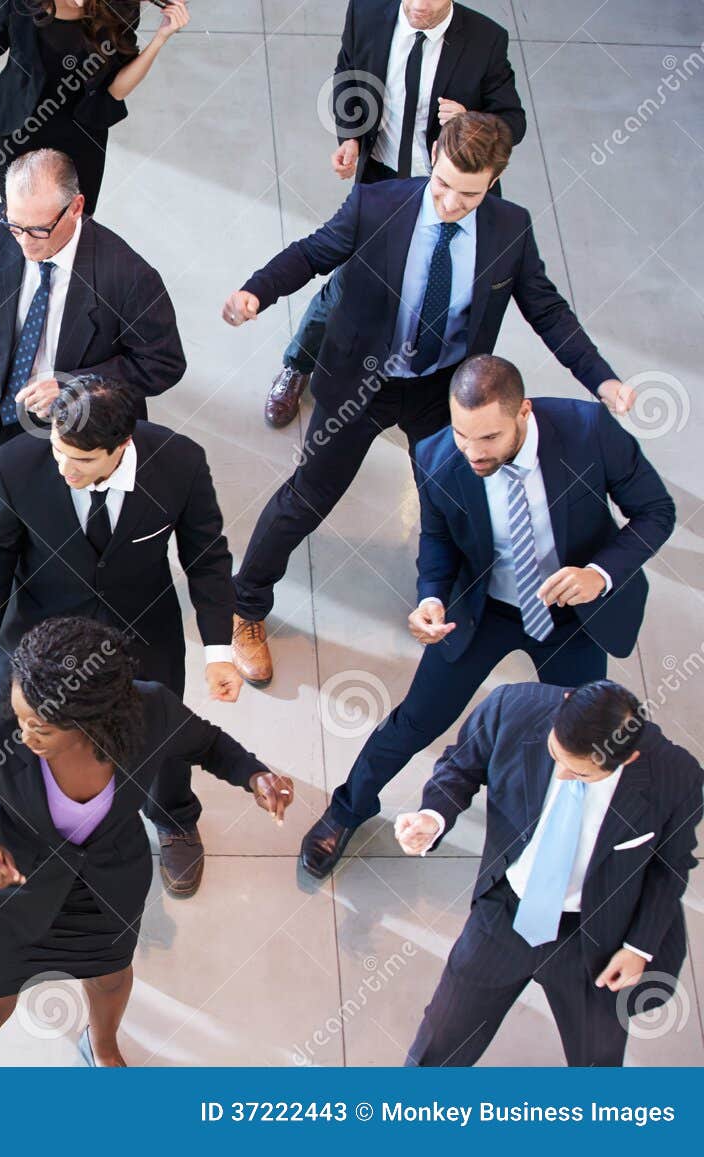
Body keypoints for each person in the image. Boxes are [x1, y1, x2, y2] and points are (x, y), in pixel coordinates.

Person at [221, 112, 637, 689]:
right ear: (433, 161)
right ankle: (245, 609)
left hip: (440, 392)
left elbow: (547, 310)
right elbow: (312, 253)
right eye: (440, 185)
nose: (448, 202)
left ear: (493, 181)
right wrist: (255, 291)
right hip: (361, 381)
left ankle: (446, 605)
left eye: (467, 193)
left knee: (455, 502)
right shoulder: (377, 204)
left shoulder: (509, 228)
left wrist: (602, 379)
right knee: (307, 497)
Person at [298, 354, 675, 877]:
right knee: (415, 720)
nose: (473, 453)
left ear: (523, 412)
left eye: (489, 439)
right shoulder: (436, 457)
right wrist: (430, 595)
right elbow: (436, 540)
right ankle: (348, 808)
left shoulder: (588, 431)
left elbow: (657, 511)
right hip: (483, 610)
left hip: (572, 613)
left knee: (586, 740)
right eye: (461, 434)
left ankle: (564, 842)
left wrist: (599, 574)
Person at [0, 377, 242, 899]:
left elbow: (207, 559)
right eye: (59, 451)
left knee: (163, 731)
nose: (64, 470)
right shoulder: (18, 463)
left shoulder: (181, 464)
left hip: (138, 635)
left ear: (121, 447)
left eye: (81, 461)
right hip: (37, 632)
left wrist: (219, 651)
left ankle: (174, 817)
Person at [0, 617, 293, 1066]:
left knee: (111, 979)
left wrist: (255, 775)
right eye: (20, 716)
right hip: (10, 898)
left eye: (40, 727)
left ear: (90, 721)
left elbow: (208, 744)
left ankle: (101, 1044)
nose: (24, 733)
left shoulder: (149, 710)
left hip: (106, 888)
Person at [0, 148, 184, 576]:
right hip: (0, 415)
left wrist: (77, 383)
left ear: (76, 207)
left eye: (37, 230)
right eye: (15, 226)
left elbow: (164, 362)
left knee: (60, 556)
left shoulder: (127, 276)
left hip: (75, 428)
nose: (23, 242)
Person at [396, 681, 702, 1067]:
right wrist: (433, 817)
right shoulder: (512, 707)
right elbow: (460, 766)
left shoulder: (676, 776)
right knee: (438, 1046)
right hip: (504, 912)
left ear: (627, 759)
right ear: (567, 704)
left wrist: (638, 947)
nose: (561, 776)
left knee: (598, 1068)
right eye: (556, 755)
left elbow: (670, 867)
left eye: (581, 774)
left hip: (598, 938)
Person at [264, 0, 526, 428]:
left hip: (445, 188)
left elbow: (513, 120)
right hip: (384, 181)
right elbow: (348, 76)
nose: (419, 4)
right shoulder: (368, 12)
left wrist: (472, 120)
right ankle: (298, 364)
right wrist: (350, 136)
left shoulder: (485, 38)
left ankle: (425, 385)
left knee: (438, 289)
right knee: (347, 285)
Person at [0, 0, 191, 212]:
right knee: (23, 228)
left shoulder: (119, 7)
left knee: (76, 232)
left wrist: (160, 39)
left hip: (82, 136)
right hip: (19, 132)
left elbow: (114, 91)